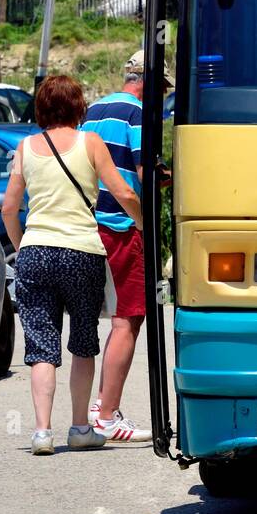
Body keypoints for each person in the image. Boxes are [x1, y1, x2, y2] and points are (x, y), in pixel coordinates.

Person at [1, 75, 143, 456]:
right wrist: (144, 224)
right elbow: (125, 191)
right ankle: (81, 427)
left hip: (36, 251)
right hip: (82, 251)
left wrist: (22, 245)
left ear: (42, 108)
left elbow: (9, 208)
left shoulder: (25, 147)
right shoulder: (90, 143)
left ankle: (42, 432)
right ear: (79, 106)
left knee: (42, 346)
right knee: (83, 342)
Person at [82, 50, 172, 444]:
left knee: (92, 318)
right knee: (128, 319)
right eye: (163, 89)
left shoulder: (94, 110)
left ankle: (95, 404)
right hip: (122, 224)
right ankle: (107, 414)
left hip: (88, 223)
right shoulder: (137, 113)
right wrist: (170, 180)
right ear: (149, 84)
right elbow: (141, 172)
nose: (163, 98)